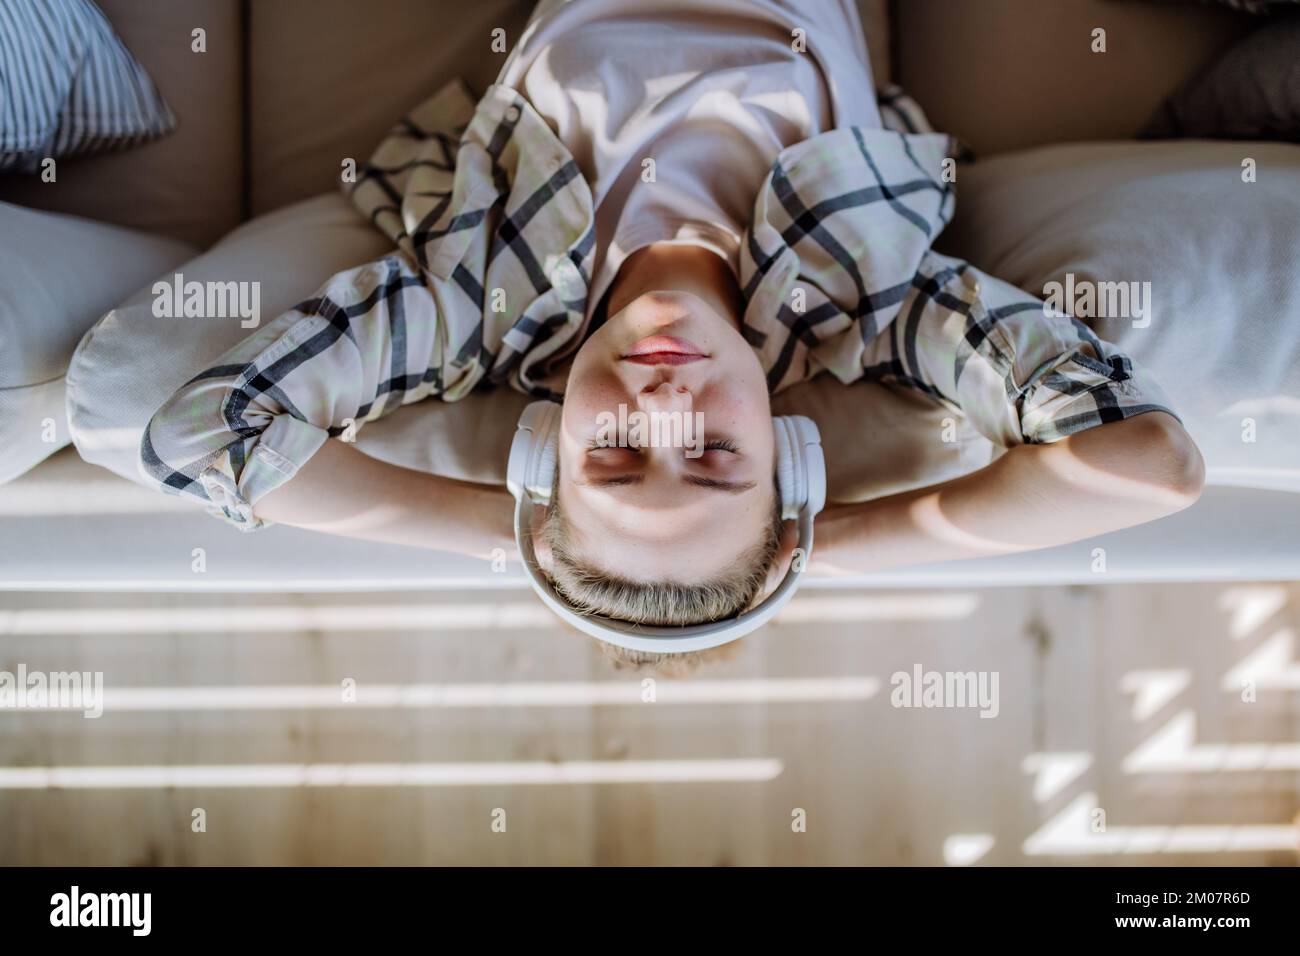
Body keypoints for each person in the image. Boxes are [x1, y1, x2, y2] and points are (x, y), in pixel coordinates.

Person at [136, 0, 1204, 665]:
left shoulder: (473, 297)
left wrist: (515, 531)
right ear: (789, 457)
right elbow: (1147, 464)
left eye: (612, 456)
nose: (665, 407)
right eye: (712, 457)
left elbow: (201, 434)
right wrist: (824, 550)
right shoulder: (876, 301)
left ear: (540, 450)